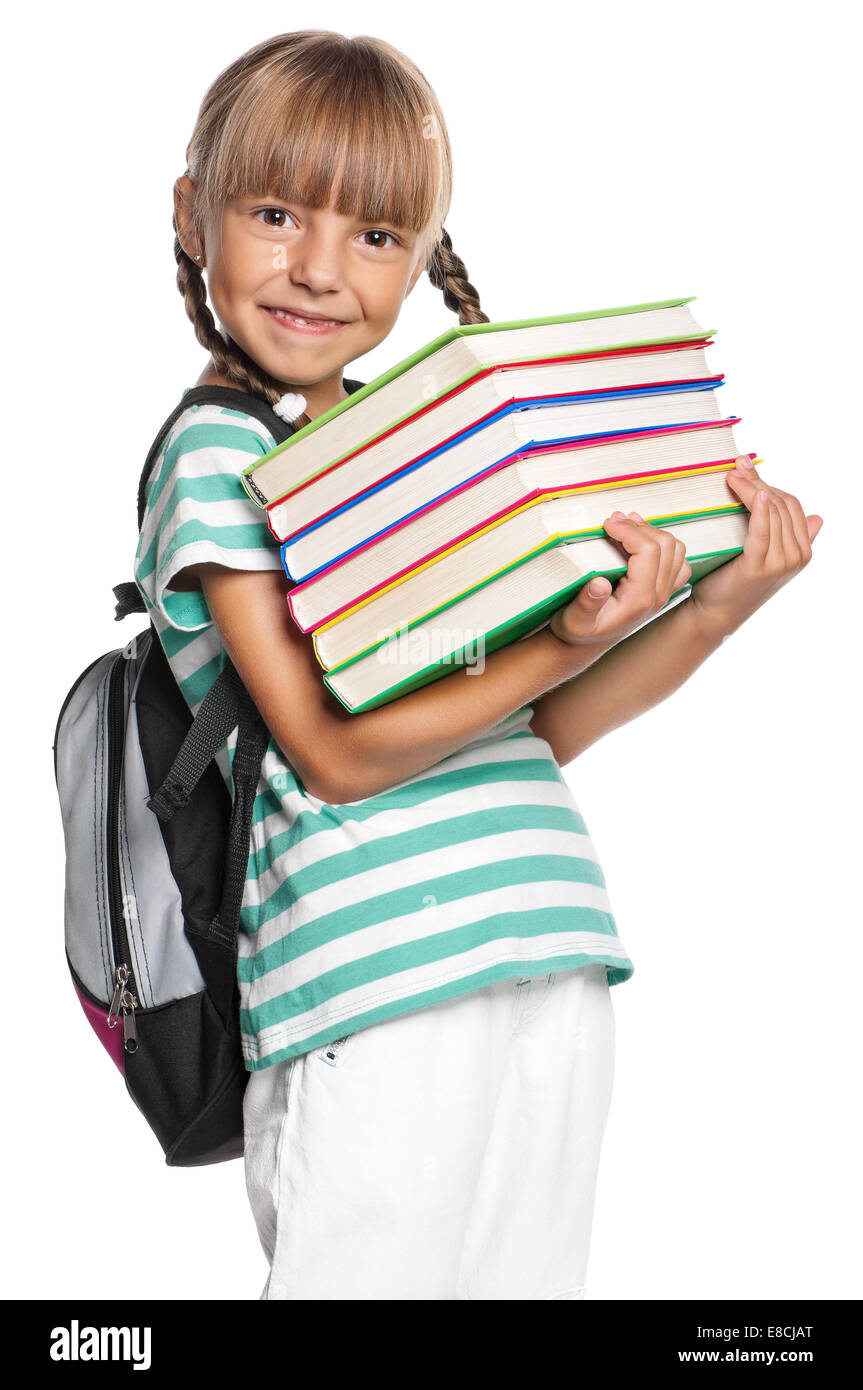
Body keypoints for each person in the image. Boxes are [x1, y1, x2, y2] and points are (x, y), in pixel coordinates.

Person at [134, 30, 821, 1301]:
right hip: (371, 979)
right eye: (276, 213)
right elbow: (332, 757)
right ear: (193, 214)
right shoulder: (220, 450)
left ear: (419, 258)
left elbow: (529, 733)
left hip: (545, 946)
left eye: (374, 234)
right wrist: (560, 641)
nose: (319, 268)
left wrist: (712, 607)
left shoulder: (406, 450)